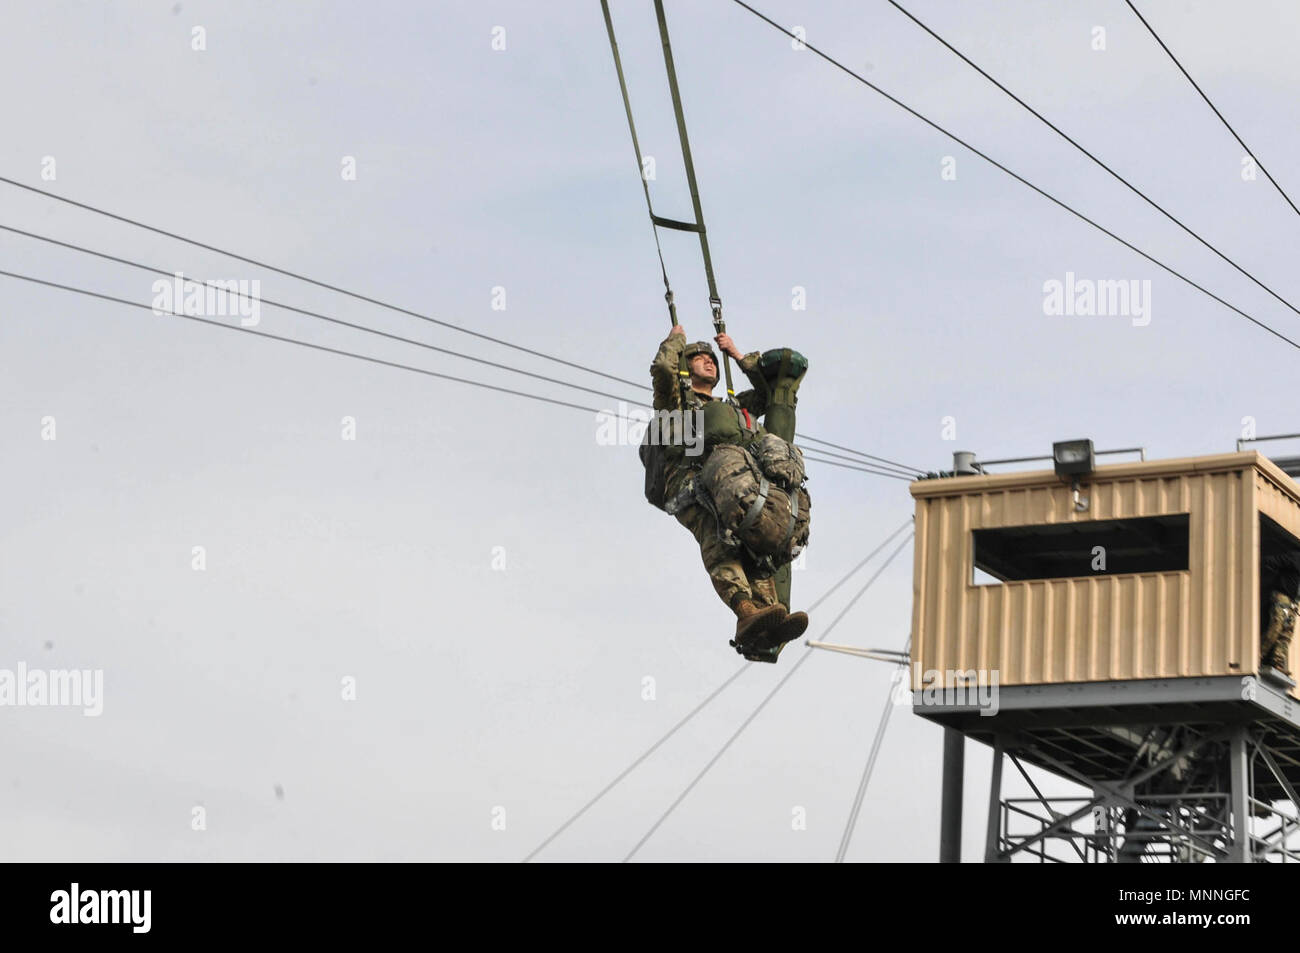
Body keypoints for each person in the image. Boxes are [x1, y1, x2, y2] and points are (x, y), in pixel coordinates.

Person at [649, 324, 809, 660]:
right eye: (699, 358)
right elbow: (663, 368)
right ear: (685, 365)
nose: (708, 362)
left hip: (731, 485)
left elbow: (768, 395)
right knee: (718, 539)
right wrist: (677, 337)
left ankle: (768, 617)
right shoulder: (676, 402)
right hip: (689, 485)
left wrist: (737, 355)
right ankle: (744, 611)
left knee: (756, 544)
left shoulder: (733, 407)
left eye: (712, 359)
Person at [1261, 552, 1300, 676]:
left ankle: (1277, 662)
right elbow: (1276, 559)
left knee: (1287, 633)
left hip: (1293, 603)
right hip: (1282, 596)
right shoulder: (1295, 557)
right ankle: (1258, 655)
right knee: (1276, 627)